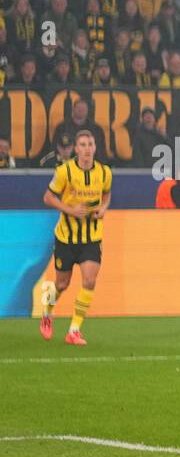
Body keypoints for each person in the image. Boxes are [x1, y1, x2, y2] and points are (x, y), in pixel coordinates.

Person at [40, 130, 111, 345]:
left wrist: (104, 208)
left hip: (91, 236)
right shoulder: (65, 172)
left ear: (95, 147)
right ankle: (47, 310)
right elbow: (48, 197)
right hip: (66, 237)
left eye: (90, 144)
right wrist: (69, 210)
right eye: (83, 144)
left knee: (89, 280)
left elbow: (106, 193)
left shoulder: (105, 172)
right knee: (62, 284)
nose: (87, 148)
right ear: (76, 149)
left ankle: (74, 330)